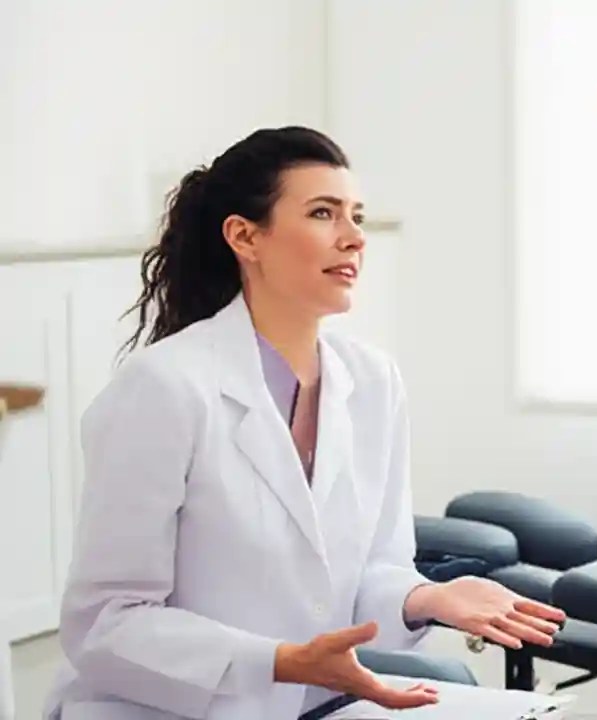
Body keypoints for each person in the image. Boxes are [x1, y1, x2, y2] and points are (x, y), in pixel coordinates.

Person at [43, 127, 566, 720]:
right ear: (245, 236)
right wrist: (279, 661)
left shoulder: (373, 382)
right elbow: (105, 625)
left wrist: (428, 597)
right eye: (324, 213)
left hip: (312, 704)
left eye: (358, 216)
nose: (354, 238)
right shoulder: (164, 389)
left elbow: (375, 571)